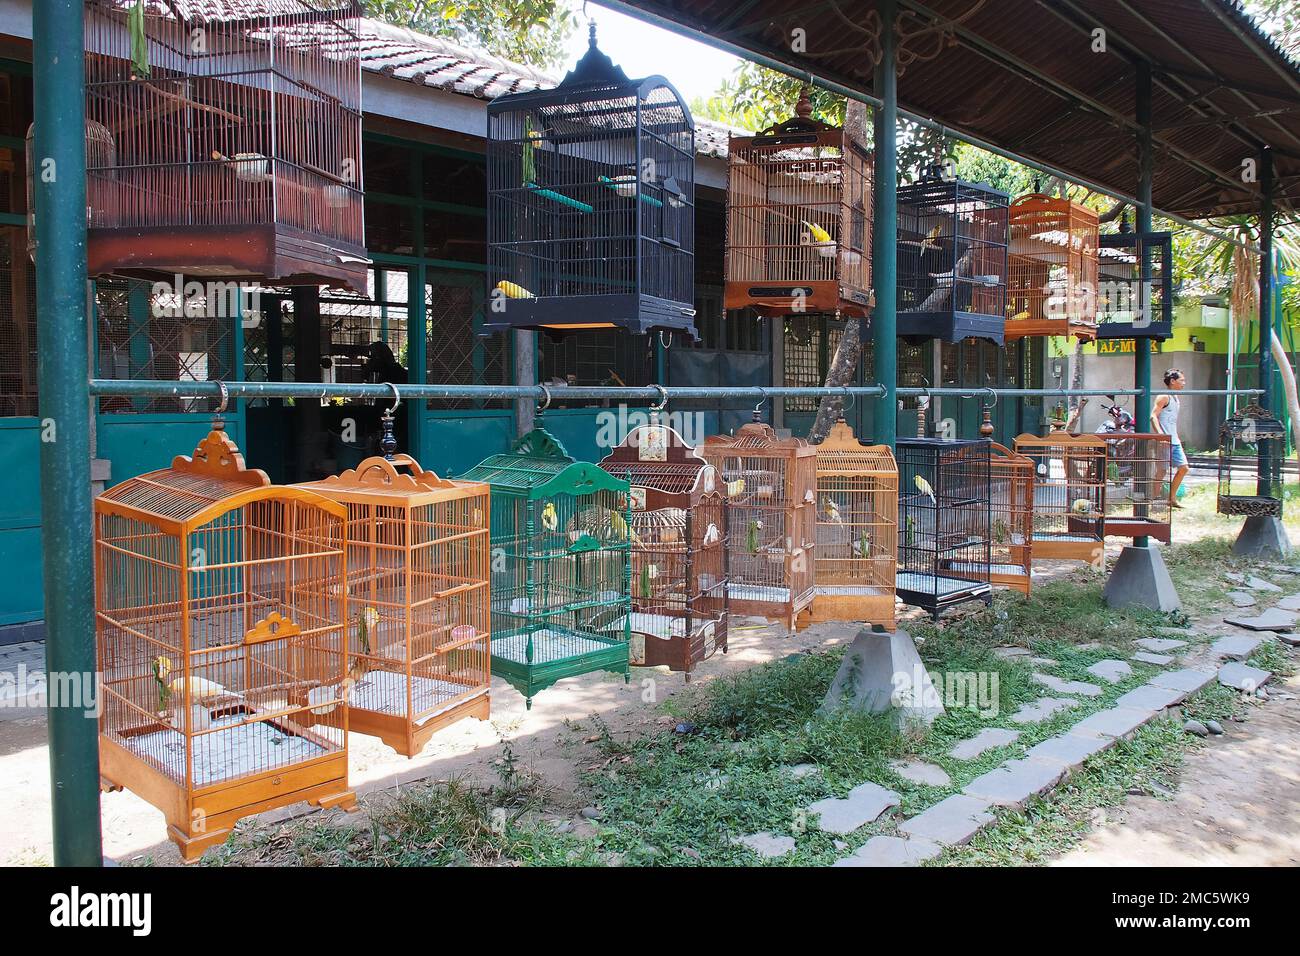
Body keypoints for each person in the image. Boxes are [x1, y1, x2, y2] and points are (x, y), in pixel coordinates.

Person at [1151, 368, 1188, 508]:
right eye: (1181, 380)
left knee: (1184, 468)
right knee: (1162, 470)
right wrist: (1160, 435)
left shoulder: (1175, 397)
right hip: (1165, 440)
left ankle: (1171, 499)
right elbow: (1153, 416)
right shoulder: (1164, 397)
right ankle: (1154, 499)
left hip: (1175, 440)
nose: (1184, 383)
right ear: (1172, 381)